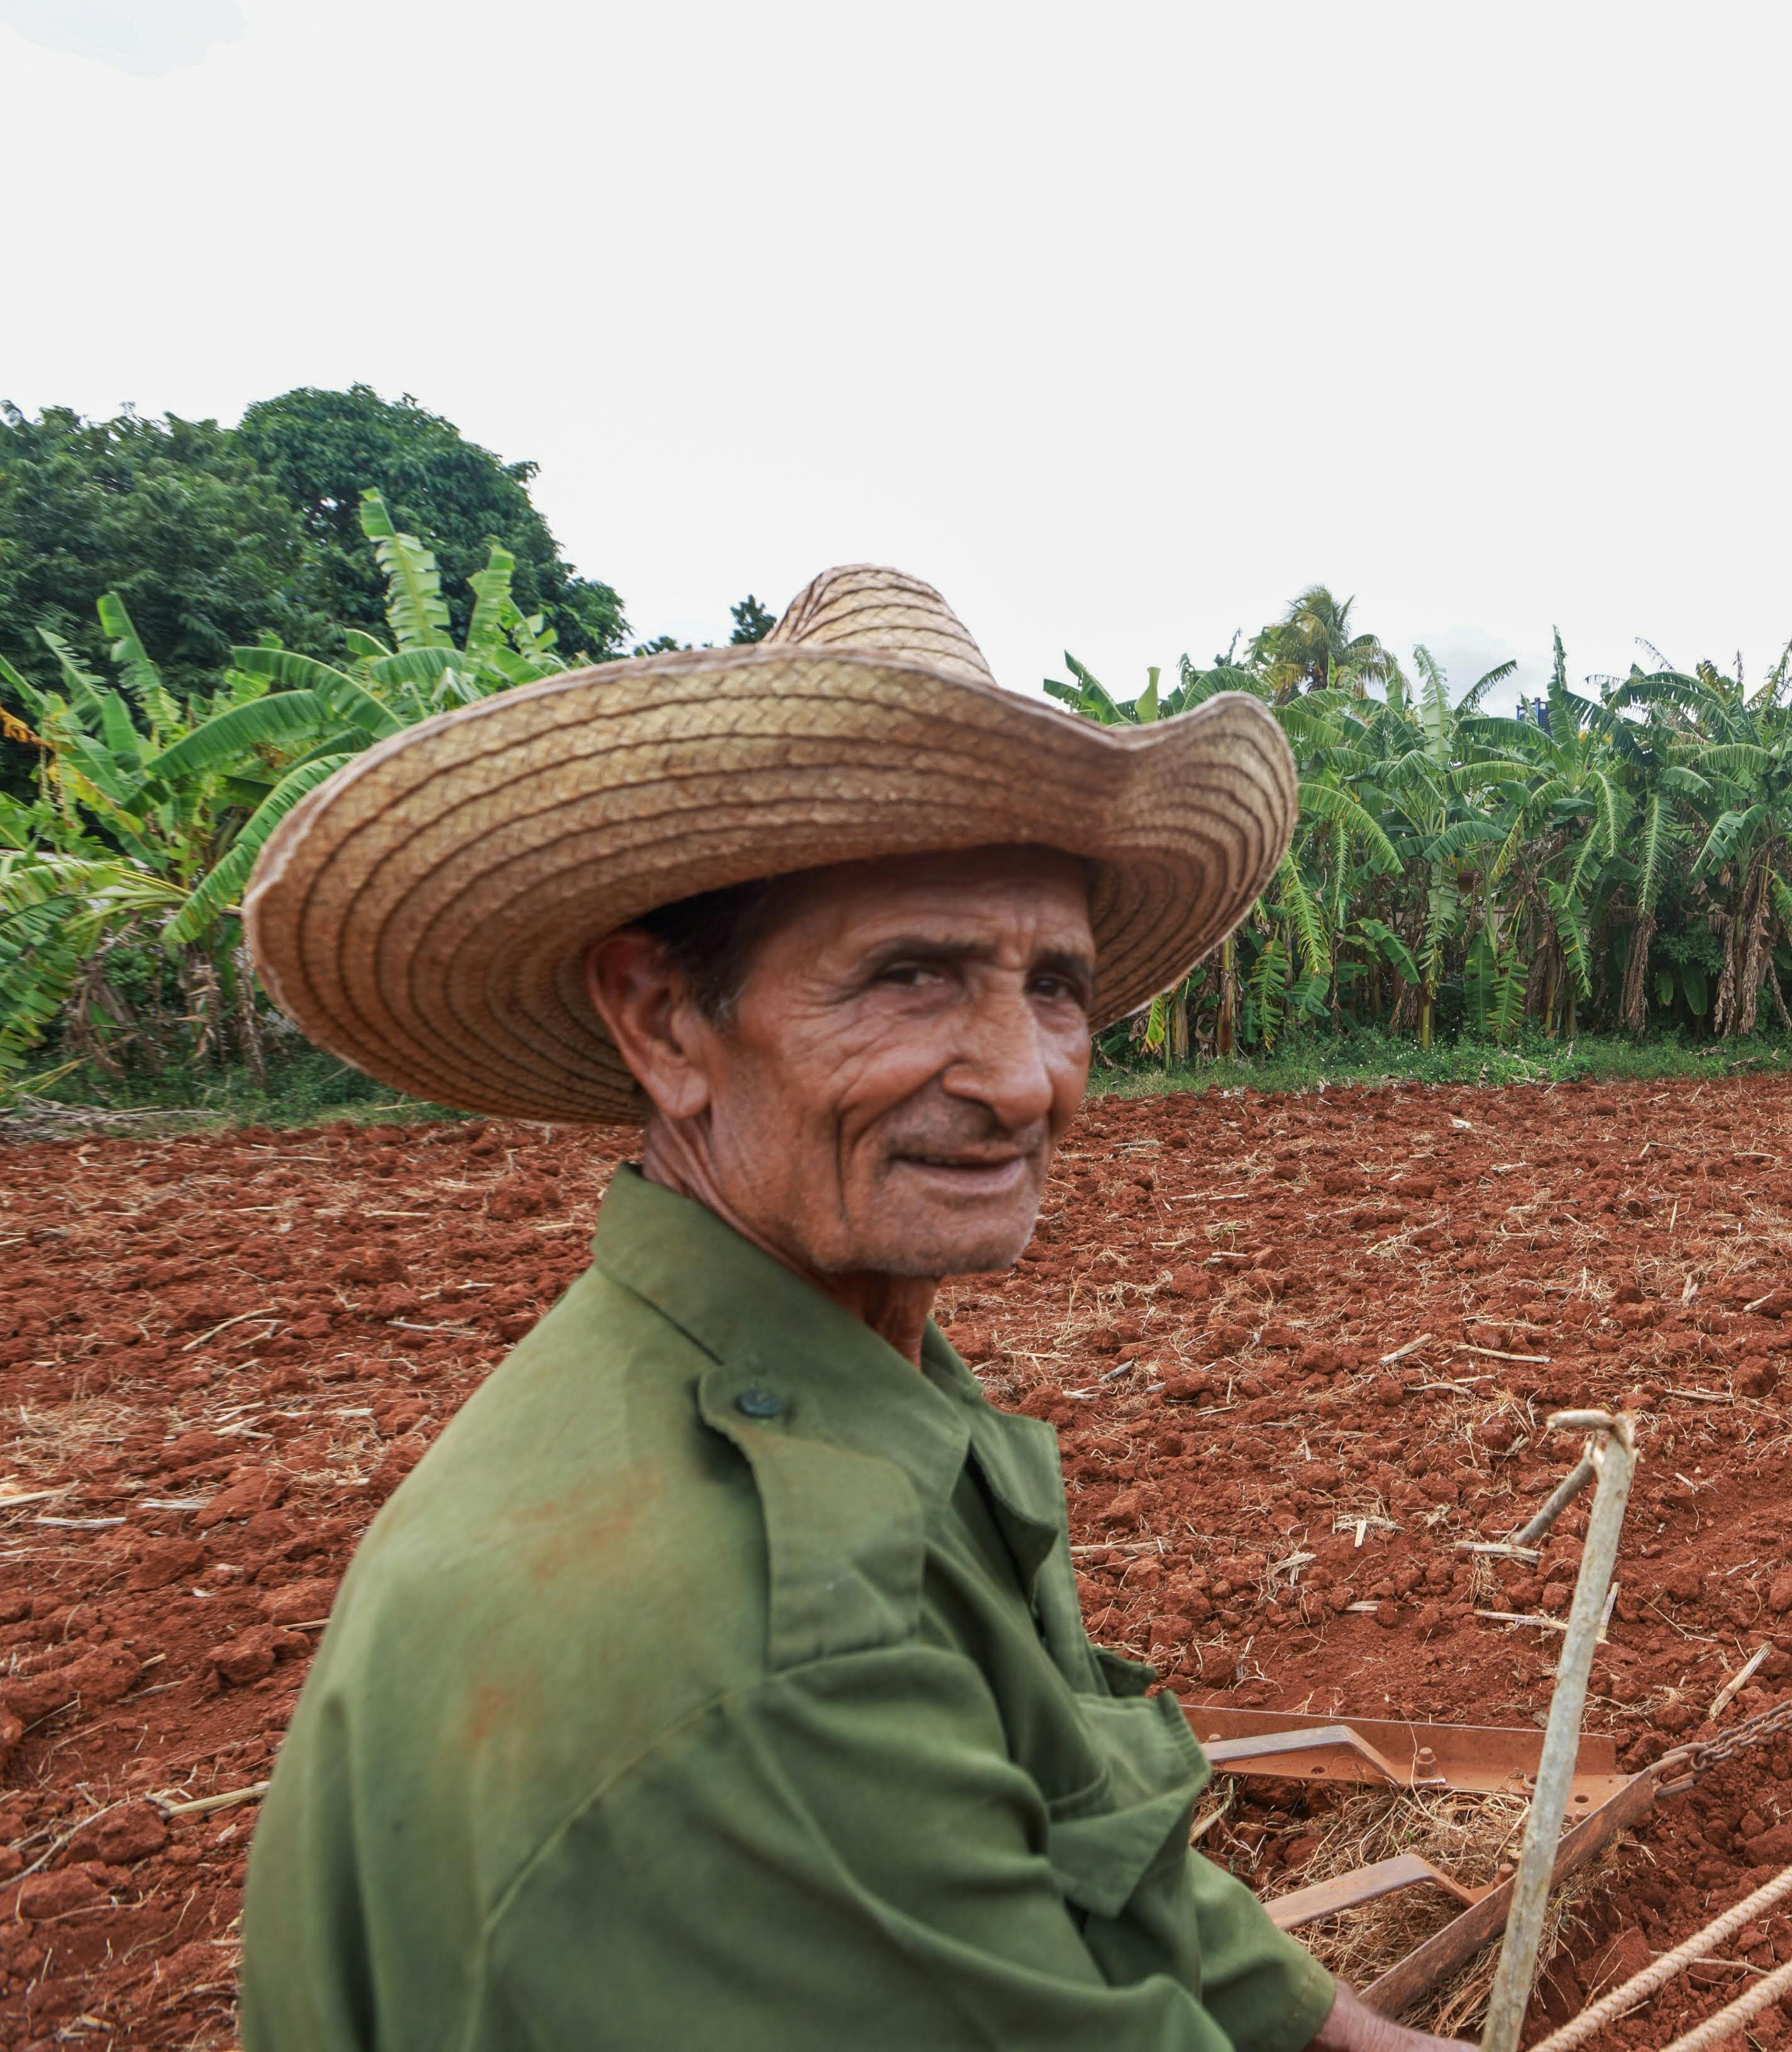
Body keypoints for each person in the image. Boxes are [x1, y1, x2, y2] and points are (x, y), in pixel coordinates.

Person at [236, 568, 1469, 2052]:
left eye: (1056, 984)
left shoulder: (807, 1381)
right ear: (663, 1019)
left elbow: (1074, 1813)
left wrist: (1332, 2030)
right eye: (911, 977)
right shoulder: (761, 1635)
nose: (1026, 1079)